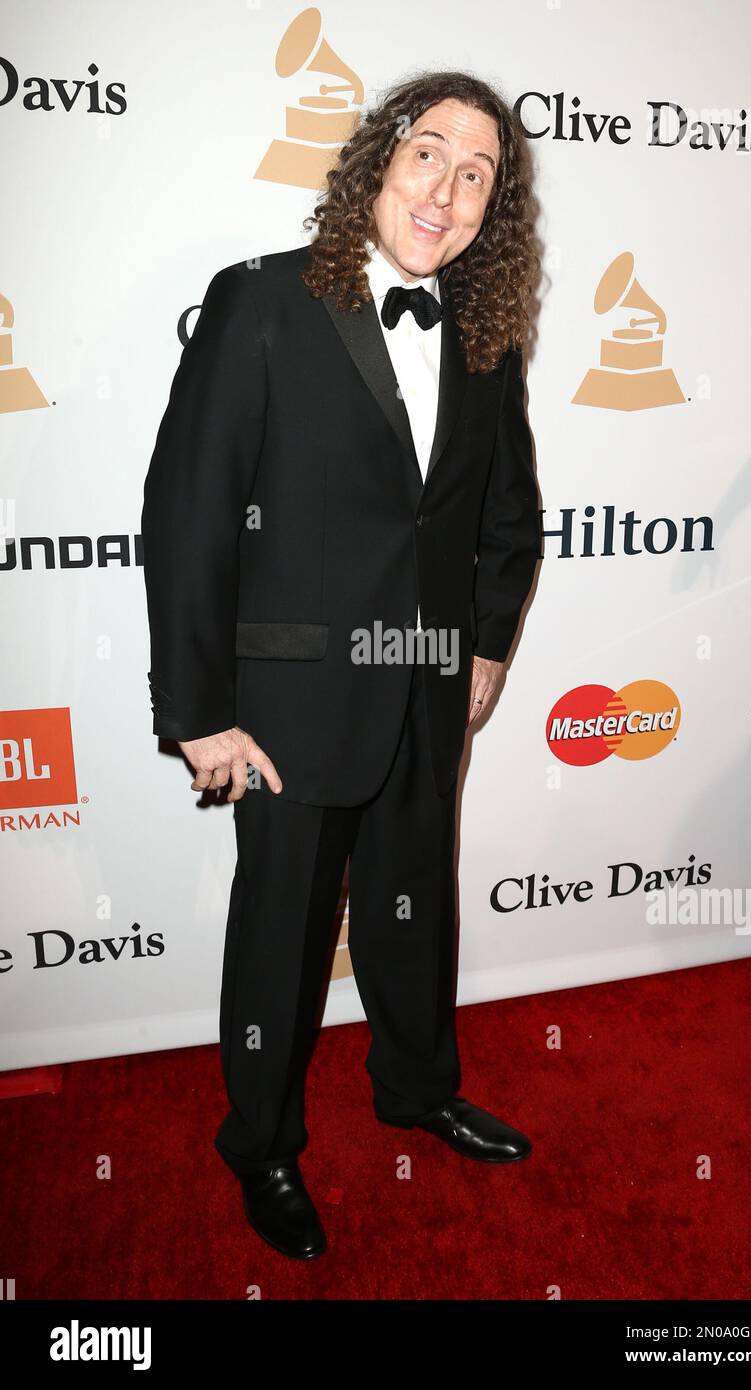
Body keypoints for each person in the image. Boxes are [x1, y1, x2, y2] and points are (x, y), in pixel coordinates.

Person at [141, 69, 542, 1261]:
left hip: (424, 684)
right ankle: (260, 1144)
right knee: (283, 930)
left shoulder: (480, 330)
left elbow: (505, 509)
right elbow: (188, 514)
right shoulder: (262, 302)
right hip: (286, 706)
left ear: (491, 210)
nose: (449, 190)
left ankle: (416, 1088)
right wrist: (199, 710)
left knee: (417, 910)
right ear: (379, 162)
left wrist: (484, 640)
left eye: (479, 176)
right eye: (431, 156)